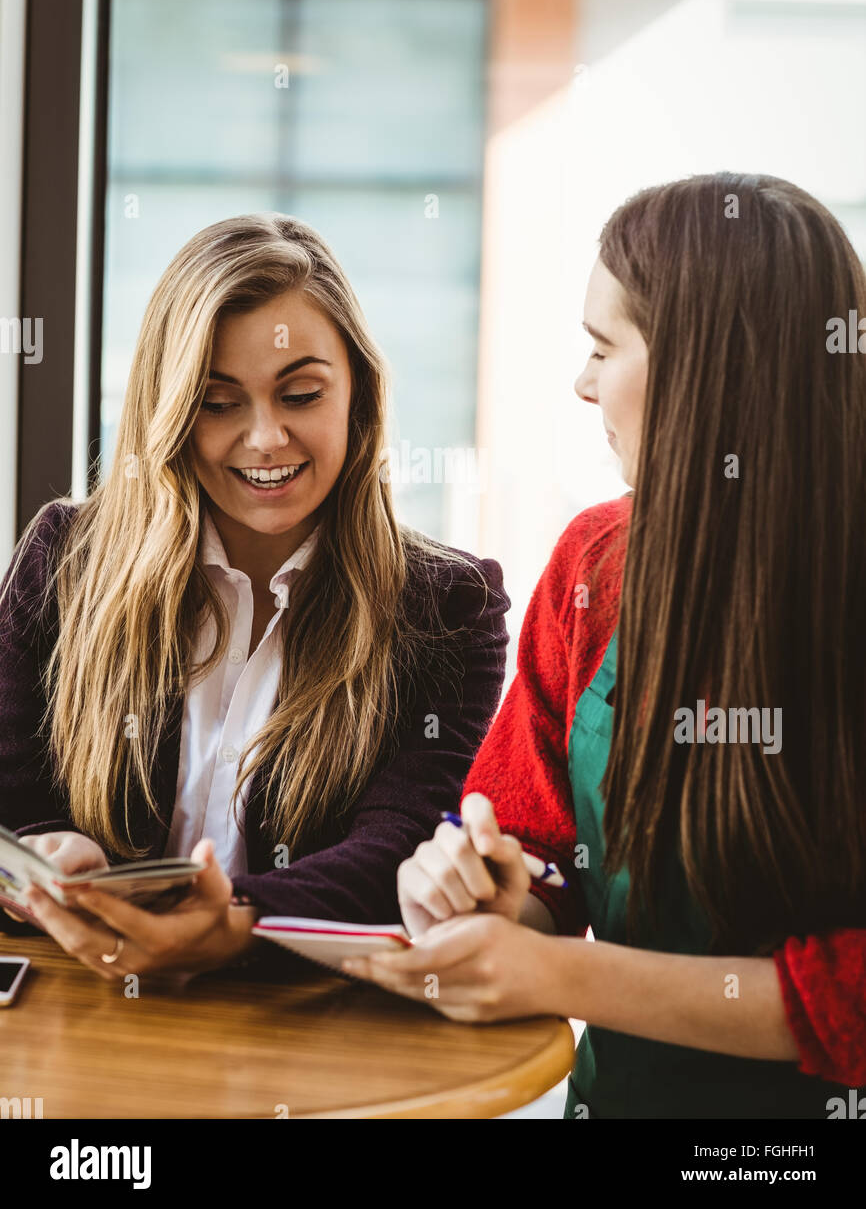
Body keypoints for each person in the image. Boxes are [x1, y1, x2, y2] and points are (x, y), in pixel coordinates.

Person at [343, 172, 866, 1118]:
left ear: (713, 369)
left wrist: (560, 979)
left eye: (602, 348)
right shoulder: (596, 563)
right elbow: (533, 847)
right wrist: (493, 895)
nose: (583, 386)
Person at [0, 213, 509, 981]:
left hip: (303, 1031)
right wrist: (41, 854)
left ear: (359, 397)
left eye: (300, 394)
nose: (266, 437)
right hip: (81, 1016)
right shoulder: (64, 561)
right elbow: (13, 793)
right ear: (169, 411)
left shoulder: (448, 606)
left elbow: (397, 852)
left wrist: (238, 920)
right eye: (219, 401)